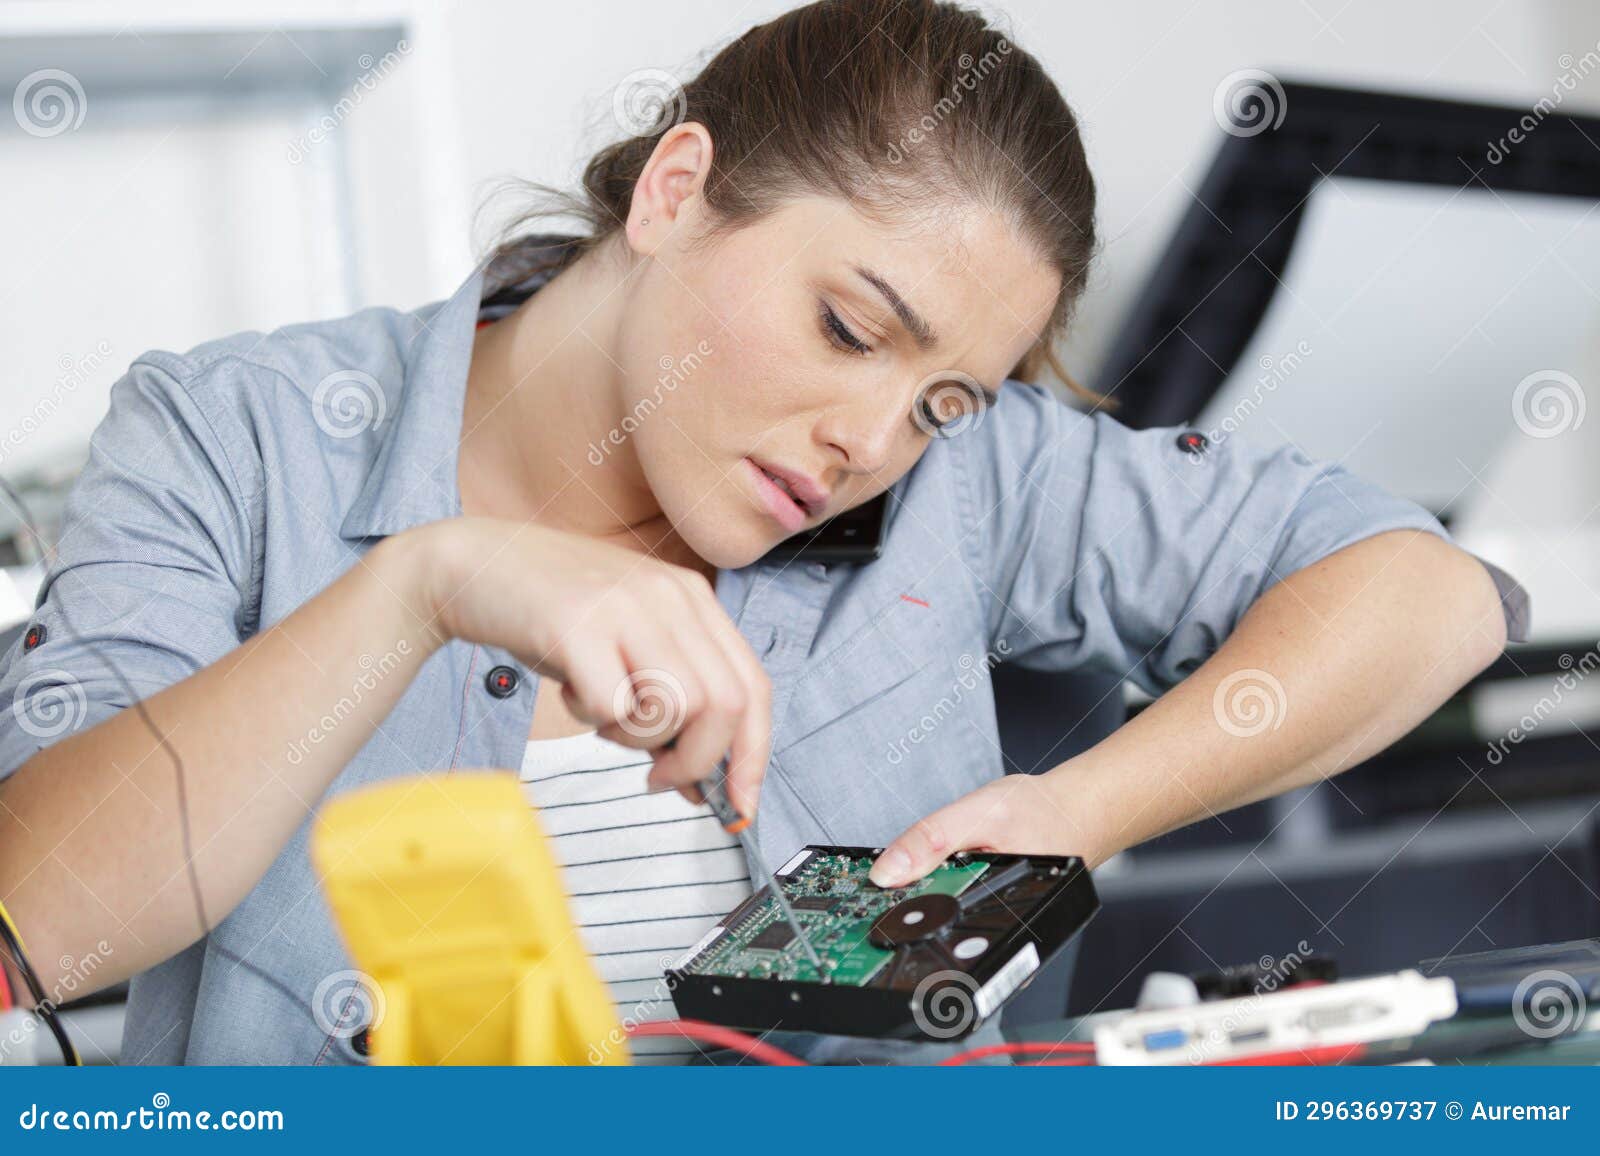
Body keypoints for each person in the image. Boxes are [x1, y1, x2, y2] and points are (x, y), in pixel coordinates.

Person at [0, 0, 1526, 1065]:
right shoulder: (230, 436)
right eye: (848, 325)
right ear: (677, 192)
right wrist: (427, 586)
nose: (871, 444)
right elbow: (45, 927)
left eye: (943, 400)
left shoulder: (966, 483)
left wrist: (1085, 813)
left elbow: (1429, 599)